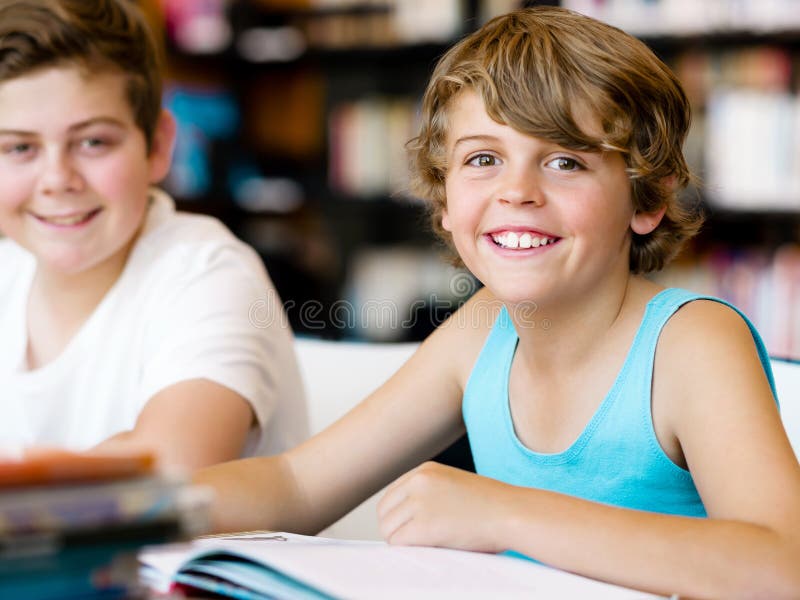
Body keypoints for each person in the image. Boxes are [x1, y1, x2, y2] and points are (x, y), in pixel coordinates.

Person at [194, 7, 800, 597]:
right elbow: (298, 485)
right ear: (444, 199)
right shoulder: (483, 329)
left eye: (565, 161)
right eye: (484, 159)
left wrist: (506, 515)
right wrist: (133, 510)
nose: (517, 192)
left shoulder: (693, 343)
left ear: (646, 200)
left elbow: (783, 567)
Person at [0, 0, 308, 471]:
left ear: (159, 145)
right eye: (20, 147)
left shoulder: (211, 274)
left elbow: (163, 474)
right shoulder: (8, 268)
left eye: (93, 141)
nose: (56, 179)